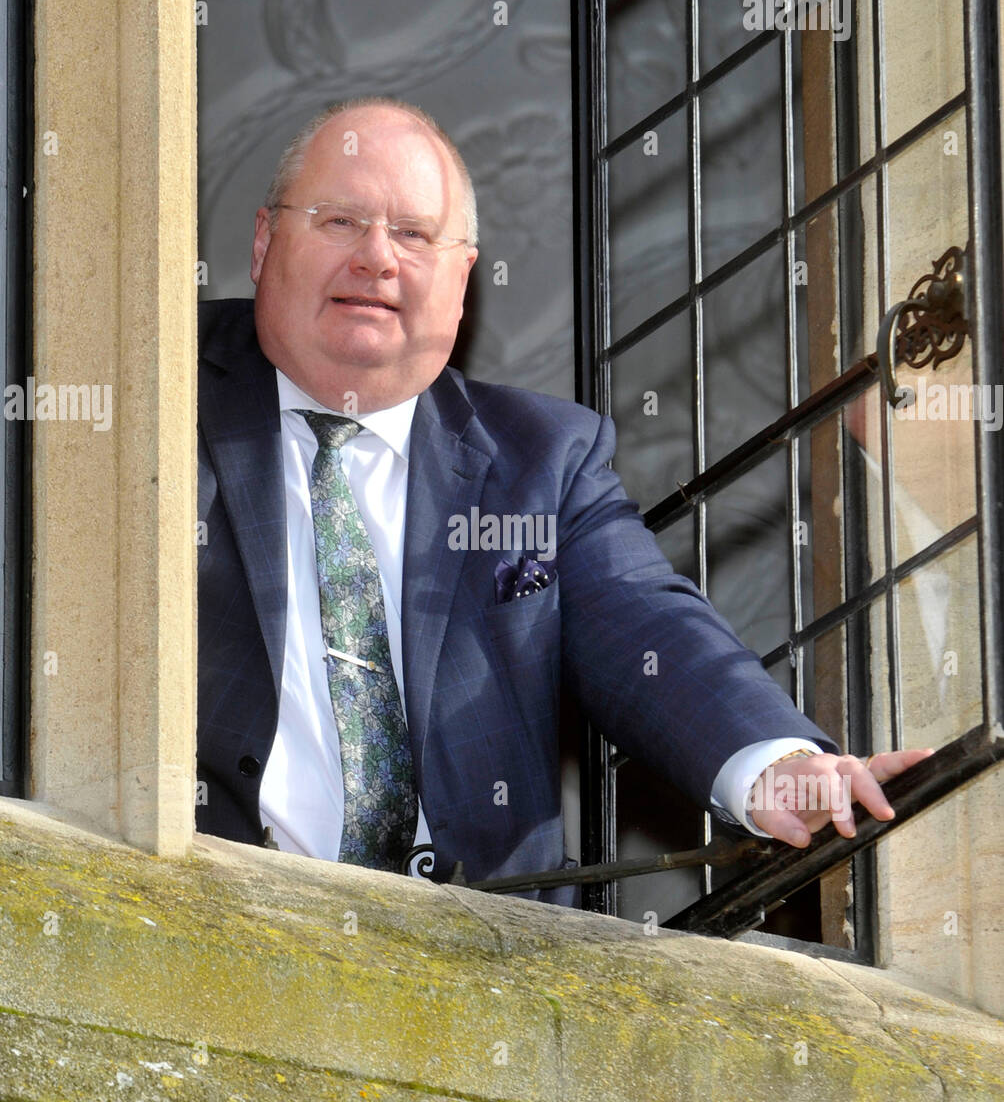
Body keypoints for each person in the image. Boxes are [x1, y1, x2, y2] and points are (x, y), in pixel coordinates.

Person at [196, 96, 932, 903]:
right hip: (205, 912)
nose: (378, 259)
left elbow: (645, 624)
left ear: (462, 275)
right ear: (266, 242)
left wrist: (775, 765)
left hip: (473, 961)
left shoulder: (541, 458)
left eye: (413, 234)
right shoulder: (160, 388)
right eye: (340, 221)